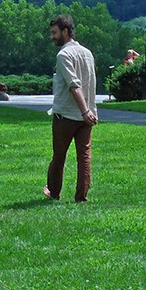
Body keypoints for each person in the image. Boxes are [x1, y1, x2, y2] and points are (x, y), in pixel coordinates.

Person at [44, 14, 98, 202]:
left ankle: (54, 192)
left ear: (65, 31)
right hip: (87, 116)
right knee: (84, 157)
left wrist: (84, 110)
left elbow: (74, 85)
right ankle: (81, 196)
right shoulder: (87, 53)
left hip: (67, 114)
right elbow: (90, 83)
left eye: (55, 33)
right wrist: (89, 111)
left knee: (59, 156)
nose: (52, 37)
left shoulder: (64, 55)